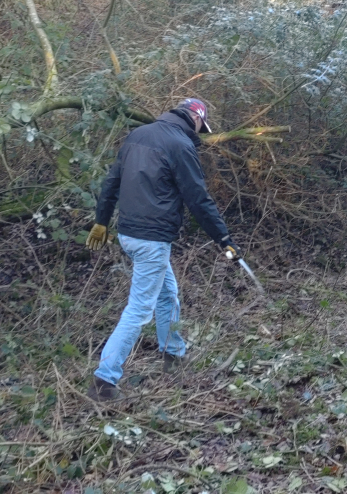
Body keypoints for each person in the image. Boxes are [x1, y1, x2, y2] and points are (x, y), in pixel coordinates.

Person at [83, 98, 235, 401]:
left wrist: (101, 221)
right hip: (151, 239)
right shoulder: (180, 145)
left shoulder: (138, 135)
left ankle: (174, 354)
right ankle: (104, 381)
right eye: (201, 127)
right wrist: (224, 239)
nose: (200, 132)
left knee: (167, 294)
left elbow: (111, 182)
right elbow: (198, 199)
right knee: (139, 309)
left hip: (128, 234)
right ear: (195, 119)